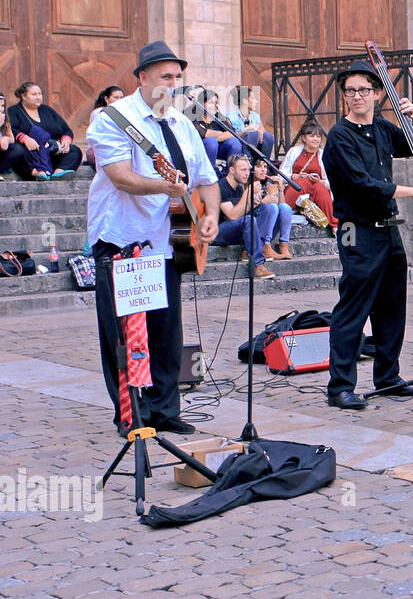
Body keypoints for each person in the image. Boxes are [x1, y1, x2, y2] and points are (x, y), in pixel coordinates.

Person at [85, 40, 220, 435]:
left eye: (177, 77)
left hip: (167, 243)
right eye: (165, 76)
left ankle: (164, 409)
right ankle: (130, 413)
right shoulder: (113, 118)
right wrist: (165, 189)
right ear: (142, 78)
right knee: (124, 334)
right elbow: (121, 175)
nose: (172, 83)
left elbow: (207, 178)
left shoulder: (181, 123)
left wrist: (209, 215)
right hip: (122, 240)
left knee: (166, 330)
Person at [322, 59, 413, 410]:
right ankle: (340, 386)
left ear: (377, 93)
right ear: (344, 97)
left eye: (364, 90)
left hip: (388, 230)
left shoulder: (384, 128)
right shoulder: (340, 137)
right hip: (357, 231)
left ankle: (387, 378)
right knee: (352, 309)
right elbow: (364, 185)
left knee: (391, 309)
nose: (357, 96)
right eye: (350, 91)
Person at [213, 154, 277, 278]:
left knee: (265, 209)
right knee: (248, 220)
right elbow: (232, 215)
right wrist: (247, 195)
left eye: (248, 169)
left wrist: (251, 205)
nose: (247, 173)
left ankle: (250, 251)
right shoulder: (220, 187)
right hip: (217, 231)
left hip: (234, 227)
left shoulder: (238, 187)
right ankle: (257, 265)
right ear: (231, 170)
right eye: (243, 170)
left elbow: (242, 212)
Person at [5, 82, 70, 179]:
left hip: (50, 150)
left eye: (40, 94)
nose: (38, 97)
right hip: (31, 152)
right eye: (34, 94)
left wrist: (66, 140)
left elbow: (66, 129)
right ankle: (37, 173)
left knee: (74, 151)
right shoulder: (14, 111)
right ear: (23, 96)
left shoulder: (47, 110)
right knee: (19, 151)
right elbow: (9, 129)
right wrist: (25, 138)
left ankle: (58, 173)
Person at [282, 120, 338, 230]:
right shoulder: (294, 152)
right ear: (303, 138)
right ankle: (283, 214)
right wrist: (295, 177)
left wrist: (319, 181)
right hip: (297, 187)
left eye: (318, 136)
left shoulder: (325, 155)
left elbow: (333, 181)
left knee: (320, 188)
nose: (316, 139)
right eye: (312, 136)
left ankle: (335, 226)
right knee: (303, 182)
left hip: (316, 189)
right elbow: (282, 173)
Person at [251, 157, 293, 260]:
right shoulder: (248, 186)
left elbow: (282, 206)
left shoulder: (267, 185)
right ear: (251, 169)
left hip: (269, 227)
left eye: (265, 166)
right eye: (258, 166)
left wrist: (280, 189)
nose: (263, 169)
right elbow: (248, 210)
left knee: (285, 207)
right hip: (256, 228)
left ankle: (284, 245)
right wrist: (265, 201)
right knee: (272, 207)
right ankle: (265, 246)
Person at [195, 88, 243, 168]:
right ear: (202, 104)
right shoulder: (194, 117)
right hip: (200, 150)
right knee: (211, 141)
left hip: (218, 149)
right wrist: (222, 135)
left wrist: (217, 135)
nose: (215, 106)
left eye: (216, 103)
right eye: (211, 103)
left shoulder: (218, 116)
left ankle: (231, 175)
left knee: (234, 142)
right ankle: (210, 175)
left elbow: (233, 133)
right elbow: (204, 134)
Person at [85, 86, 126, 171]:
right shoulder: (99, 113)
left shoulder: (126, 113)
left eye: (121, 98)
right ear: (106, 99)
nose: (119, 100)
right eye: (116, 97)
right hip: (102, 149)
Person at [231, 86, 275, 161]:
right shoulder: (231, 117)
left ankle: (263, 165)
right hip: (240, 147)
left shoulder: (256, 117)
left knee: (268, 136)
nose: (256, 101)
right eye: (253, 98)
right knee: (251, 134)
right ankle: (248, 164)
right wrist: (247, 129)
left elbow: (263, 135)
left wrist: (260, 130)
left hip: (256, 148)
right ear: (245, 101)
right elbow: (230, 138)